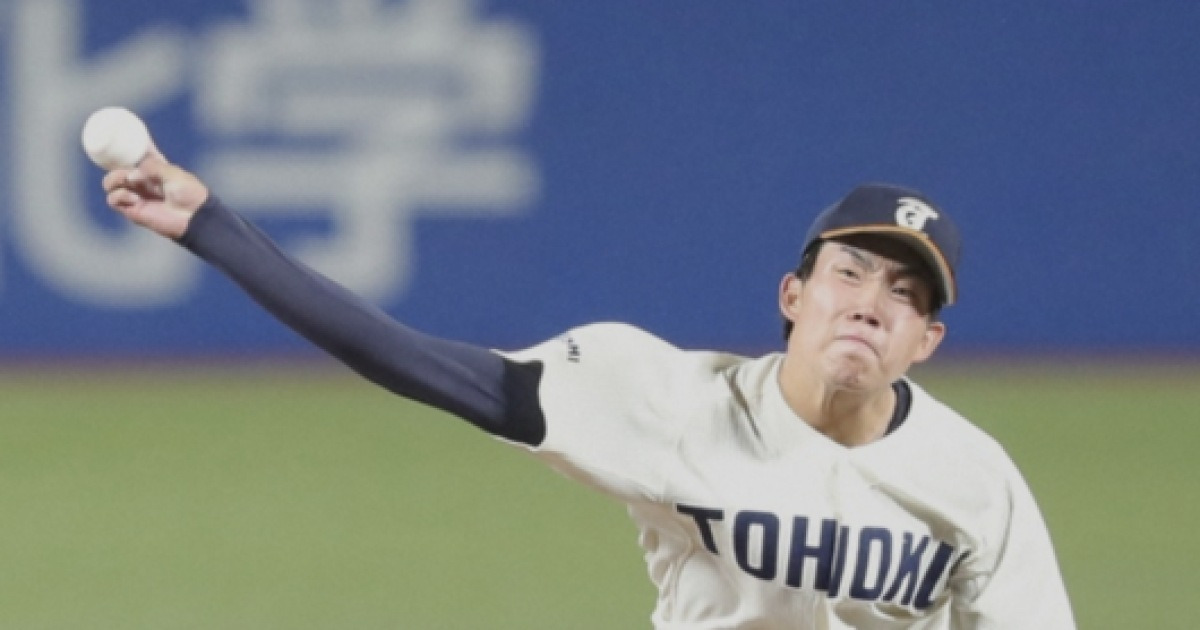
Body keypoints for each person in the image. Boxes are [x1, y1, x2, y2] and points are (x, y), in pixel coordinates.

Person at [101, 146, 1076, 629]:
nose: (872, 303)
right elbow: (410, 359)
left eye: (906, 294)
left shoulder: (973, 481)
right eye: (851, 273)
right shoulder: (665, 400)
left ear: (927, 342)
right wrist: (211, 226)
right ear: (794, 294)